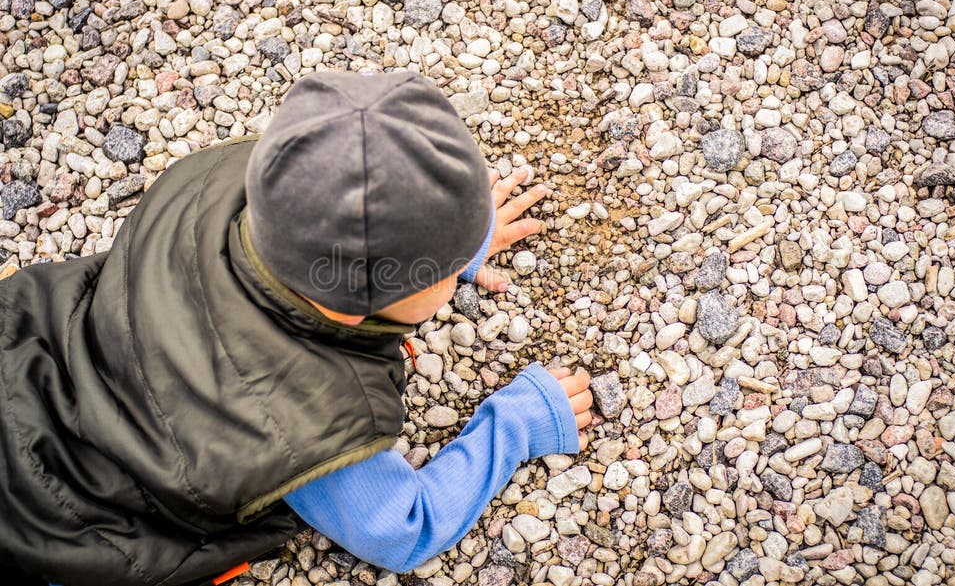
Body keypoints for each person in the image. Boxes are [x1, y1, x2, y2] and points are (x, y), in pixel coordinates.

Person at [0, 71, 595, 586]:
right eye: (442, 268)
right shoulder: (302, 426)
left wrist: (444, 236)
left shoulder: (224, 179)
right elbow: (404, 531)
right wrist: (517, 422)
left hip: (27, 357)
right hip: (65, 522)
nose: (466, 255)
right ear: (354, 308)